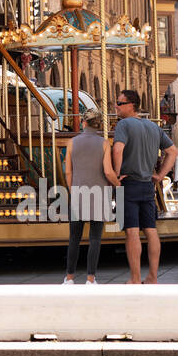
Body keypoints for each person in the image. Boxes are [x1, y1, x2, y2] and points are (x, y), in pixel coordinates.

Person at [110, 88, 176, 284]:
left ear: (131, 105)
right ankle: (153, 277)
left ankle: (135, 277)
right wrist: (160, 175)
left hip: (128, 182)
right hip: (148, 184)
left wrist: (116, 173)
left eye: (119, 103)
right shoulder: (153, 126)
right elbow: (172, 151)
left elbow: (117, 150)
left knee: (131, 231)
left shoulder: (124, 125)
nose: (116, 106)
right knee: (150, 230)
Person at [64, 108, 118, 284]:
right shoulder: (104, 143)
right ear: (98, 124)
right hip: (99, 194)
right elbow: (108, 172)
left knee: (74, 238)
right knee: (95, 238)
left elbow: (68, 172)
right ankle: (90, 278)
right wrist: (118, 184)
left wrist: (73, 192)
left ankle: (70, 278)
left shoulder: (72, 142)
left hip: (78, 192)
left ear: (83, 122)